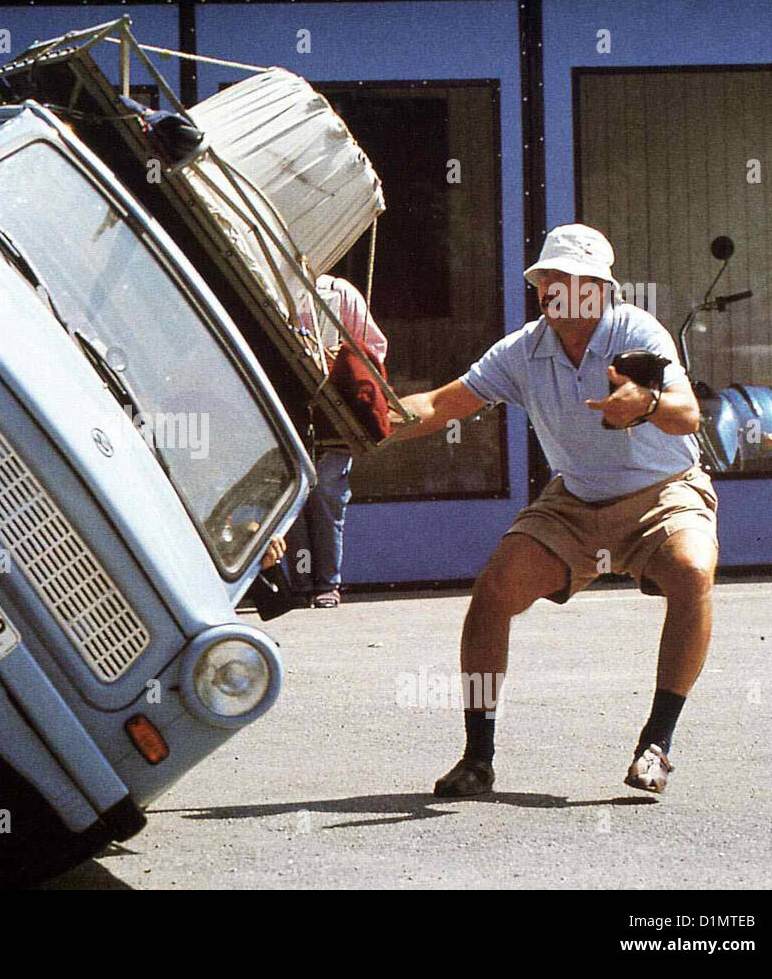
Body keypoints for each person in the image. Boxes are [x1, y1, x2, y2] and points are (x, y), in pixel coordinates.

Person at [391, 224, 714, 795]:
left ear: (601, 289)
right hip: (575, 500)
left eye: (573, 280)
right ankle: (477, 758)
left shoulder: (635, 330)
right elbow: (440, 405)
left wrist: (646, 404)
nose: (556, 290)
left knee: (691, 570)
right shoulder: (522, 350)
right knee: (493, 592)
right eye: (547, 279)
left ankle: (656, 745)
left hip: (664, 491)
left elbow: (687, 414)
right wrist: (371, 420)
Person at [299, 274, 389, 608]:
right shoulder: (267, 286)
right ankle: (299, 582)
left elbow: (374, 350)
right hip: (289, 404)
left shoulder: (338, 292)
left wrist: (343, 358)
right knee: (291, 495)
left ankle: (326, 583)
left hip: (332, 413)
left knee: (326, 492)